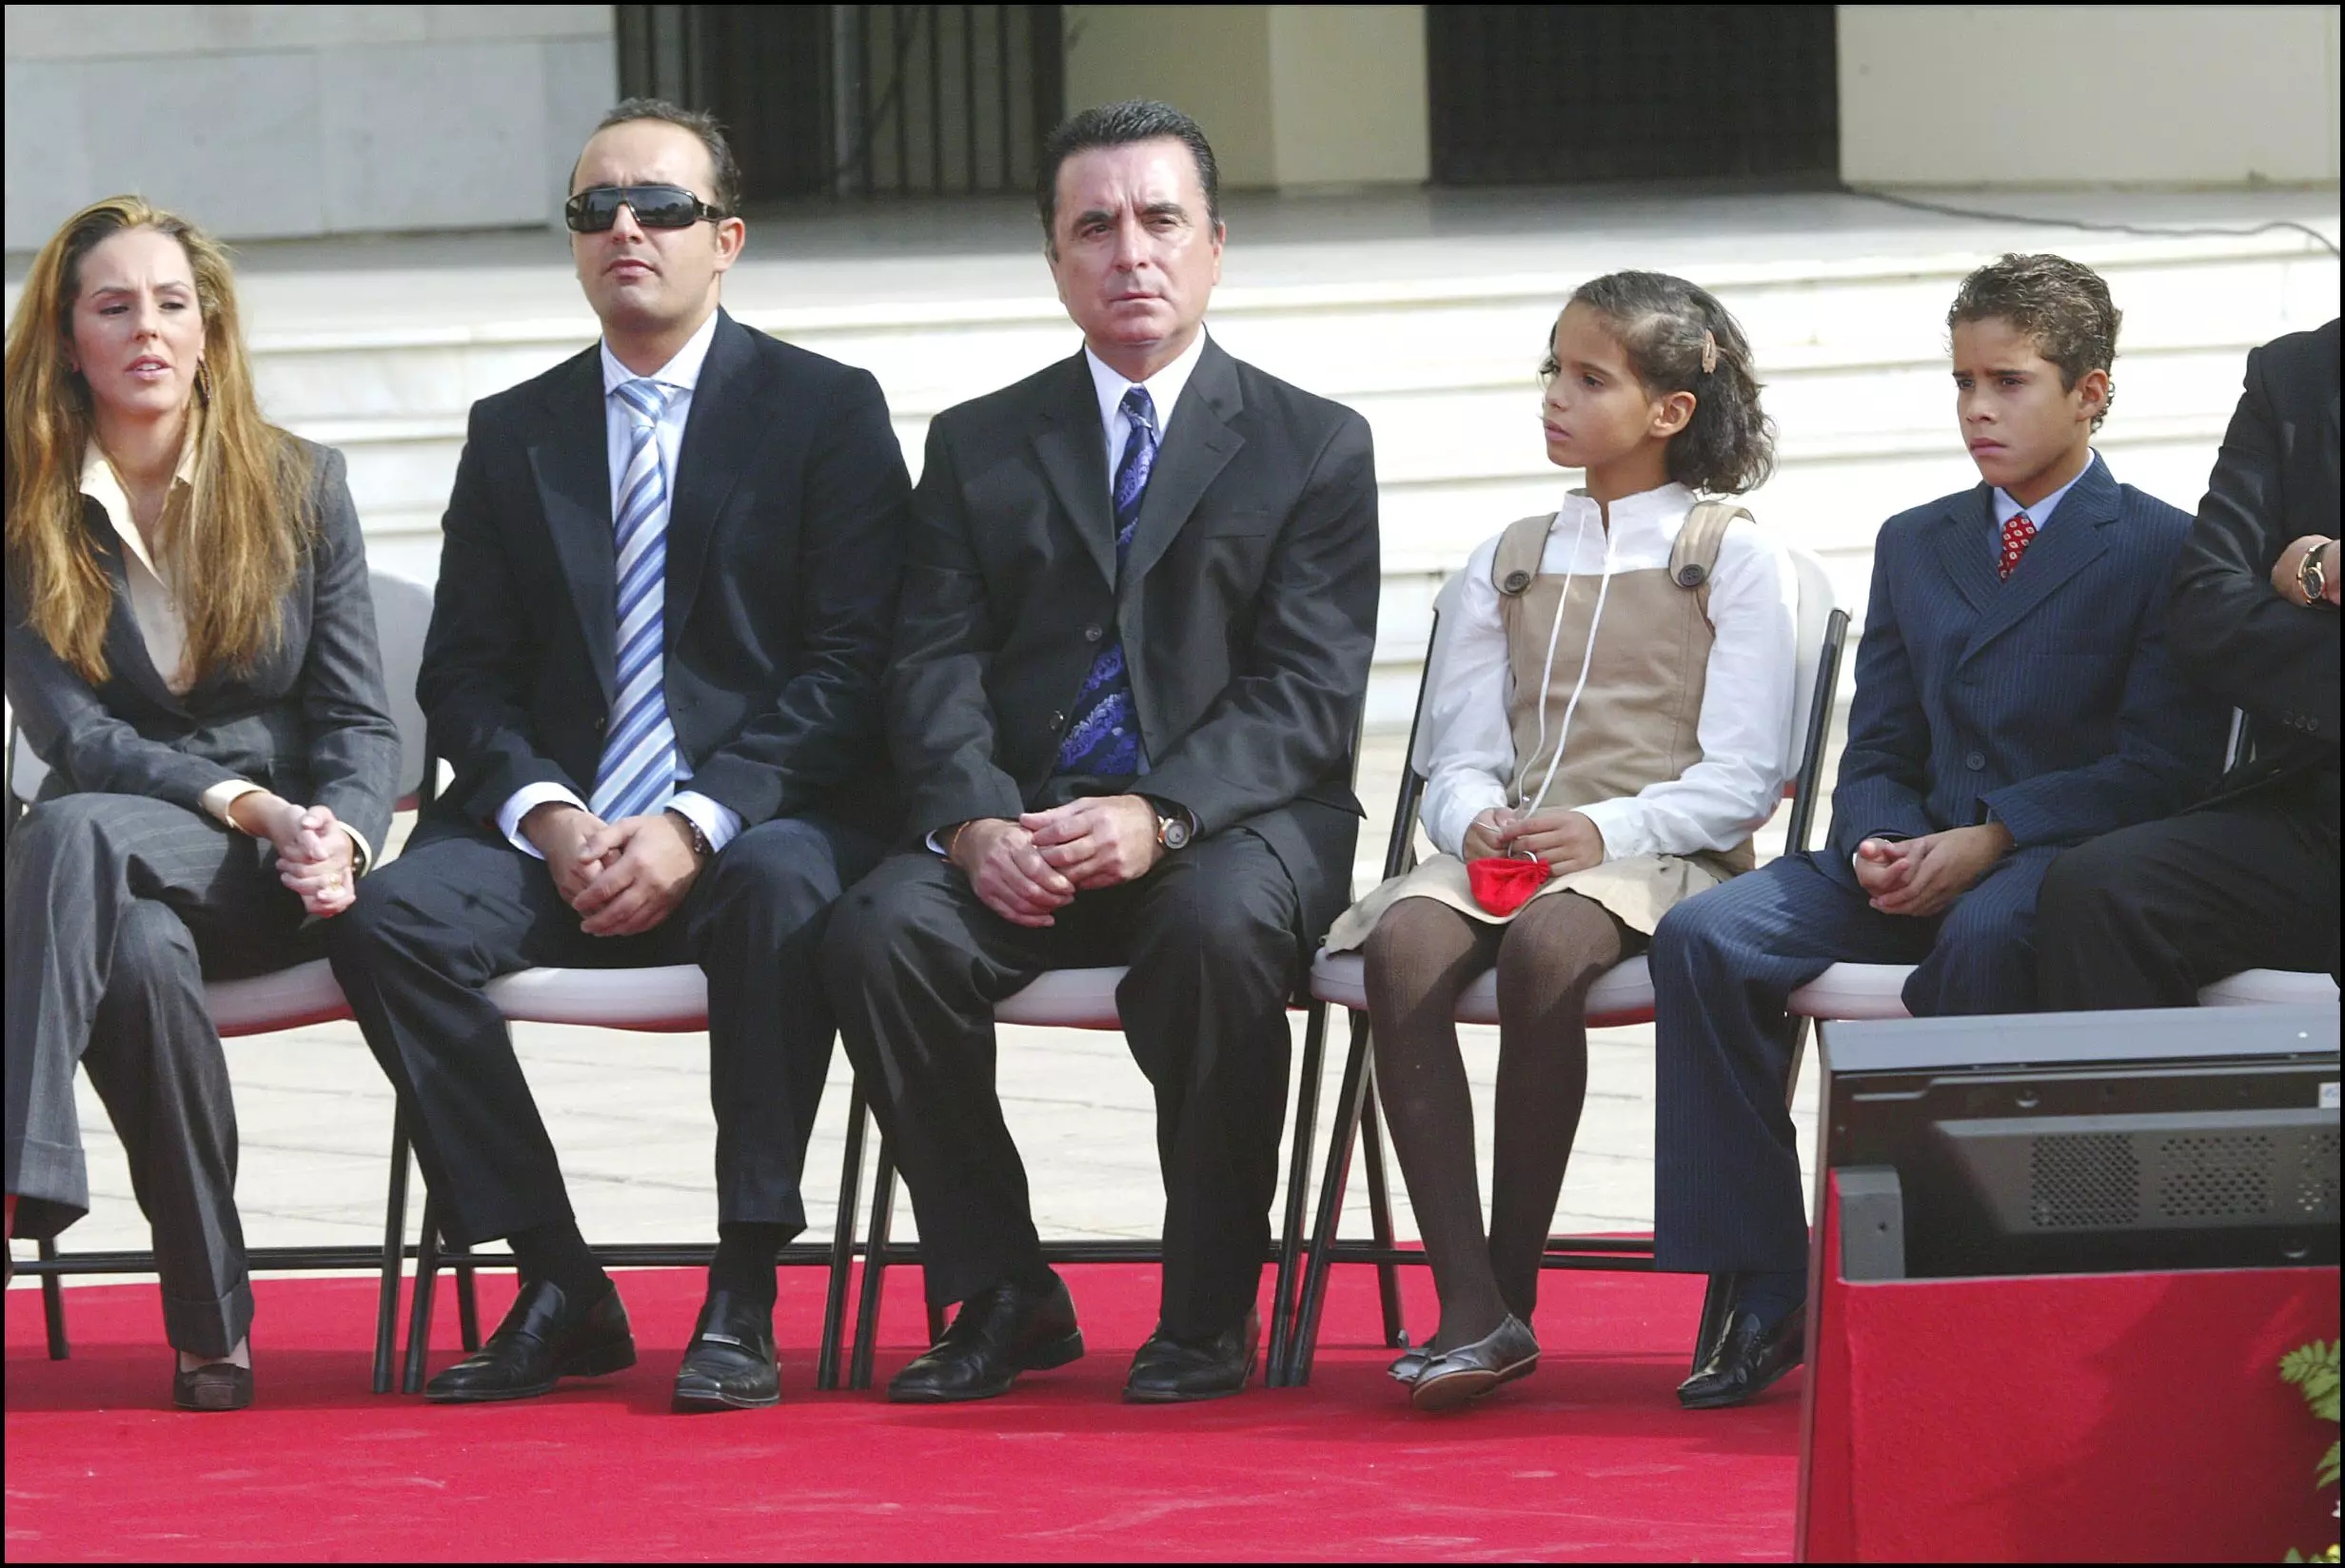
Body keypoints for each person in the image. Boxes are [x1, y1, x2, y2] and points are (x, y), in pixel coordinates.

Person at [324, 100, 910, 1411]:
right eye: (596, 210)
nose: (625, 230)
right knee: (390, 918)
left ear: (729, 239)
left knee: (780, 889)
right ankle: (558, 1281)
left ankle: (745, 1284)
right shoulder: (515, 428)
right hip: (562, 834)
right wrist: (547, 814)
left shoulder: (824, 412)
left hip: (757, 823)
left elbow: (849, 670)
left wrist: (695, 820)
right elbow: (462, 675)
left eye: (660, 207)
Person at [821, 100, 1379, 1405]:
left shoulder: (1312, 443)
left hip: (1231, 823)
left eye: (1159, 220)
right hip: (1023, 819)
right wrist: (969, 820)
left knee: (1219, 935)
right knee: (877, 931)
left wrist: (1162, 815)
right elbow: (933, 662)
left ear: (1216, 246)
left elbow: (1307, 696)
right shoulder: (978, 442)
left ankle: (1203, 1312)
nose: (1131, 251)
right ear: (1056, 260)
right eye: (1095, 226)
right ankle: (1004, 1289)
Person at [1645, 253, 2227, 1410]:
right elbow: (1881, 738)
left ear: (2090, 392)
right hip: (1906, 853)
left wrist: (1996, 838)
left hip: (2046, 860)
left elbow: (2161, 768)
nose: (1975, 409)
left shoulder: (2163, 548)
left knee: (1987, 943)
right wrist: (1876, 838)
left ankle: (1941, 1287)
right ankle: (1766, 1284)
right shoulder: (1916, 537)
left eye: (2007, 382)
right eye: (1961, 380)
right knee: (1703, 937)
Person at [1319, 273, 1798, 1411]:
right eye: (1552, 369)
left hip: (1657, 849)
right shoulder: (1510, 553)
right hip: (1520, 844)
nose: (1556, 396)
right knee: (1400, 946)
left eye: (1590, 378)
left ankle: (1511, 1288)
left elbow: (1739, 781)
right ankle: (1471, 1306)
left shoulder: (1724, 552)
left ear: (1669, 410)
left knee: (1544, 945)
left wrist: (1605, 828)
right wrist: (1470, 812)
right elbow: (1460, 752)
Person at [4, 197, 400, 1412]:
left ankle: (18, 1166)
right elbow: (75, 735)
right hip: (109, 869)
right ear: (68, 339)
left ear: (210, 330)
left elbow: (359, 720)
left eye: (172, 304)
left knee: (70, 835)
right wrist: (243, 800)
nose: (147, 330)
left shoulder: (298, 485)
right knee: (138, 948)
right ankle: (210, 1323)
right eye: (113, 306)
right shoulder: (22, 505)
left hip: (264, 876)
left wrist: (337, 831)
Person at [2036, 320, 2340, 1003]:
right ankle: (2126, 1115)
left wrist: (2307, 572)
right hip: (2317, 805)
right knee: (2099, 891)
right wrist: (2327, 573)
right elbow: (2208, 605)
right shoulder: (2296, 373)